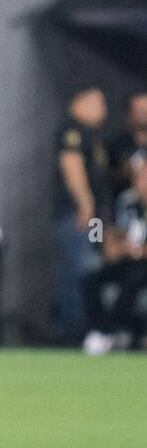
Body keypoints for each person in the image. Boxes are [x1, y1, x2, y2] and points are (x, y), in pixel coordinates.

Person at [53, 87, 110, 344]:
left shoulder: (91, 134)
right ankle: (77, 331)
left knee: (92, 266)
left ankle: (92, 327)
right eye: (98, 103)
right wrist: (85, 203)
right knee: (80, 269)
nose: (103, 110)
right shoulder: (72, 129)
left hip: (95, 217)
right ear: (80, 101)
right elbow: (71, 166)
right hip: (78, 215)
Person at [81, 151, 147, 354]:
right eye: (137, 177)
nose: (139, 181)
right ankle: (99, 331)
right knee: (90, 279)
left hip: (142, 263)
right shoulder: (127, 201)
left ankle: (114, 330)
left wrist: (139, 250)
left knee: (133, 279)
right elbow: (113, 232)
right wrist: (114, 246)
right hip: (130, 260)